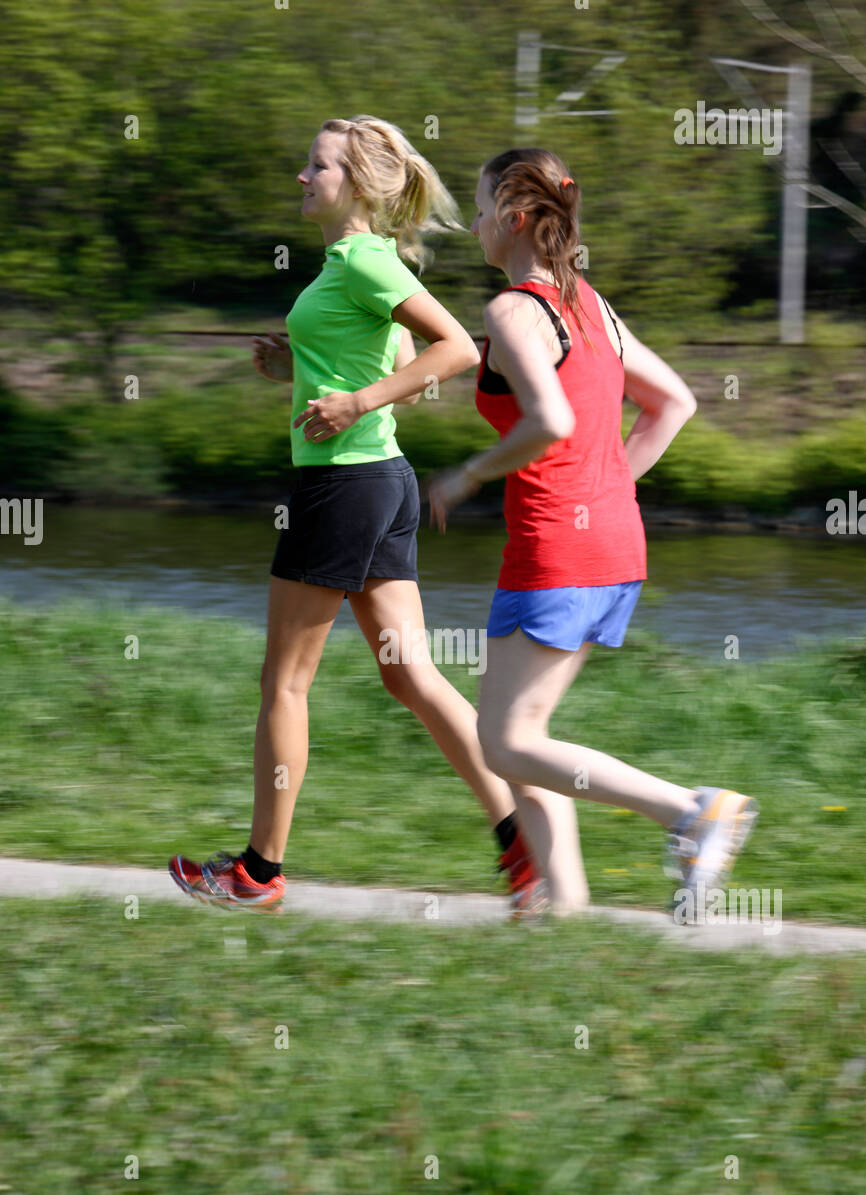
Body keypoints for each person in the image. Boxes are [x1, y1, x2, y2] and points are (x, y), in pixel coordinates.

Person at [170, 118, 542, 914]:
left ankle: (257, 874)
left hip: (342, 488)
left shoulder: (365, 258)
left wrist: (356, 403)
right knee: (410, 674)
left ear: (358, 184)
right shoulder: (357, 264)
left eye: (318, 166)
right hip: (381, 484)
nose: (303, 177)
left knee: (285, 683)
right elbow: (399, 359)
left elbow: (455, 350)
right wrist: (298, 370)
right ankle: (522, 842)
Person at [428, 147, 757, 918]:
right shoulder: (593, 307)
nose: (472, 224)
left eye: (478, 210)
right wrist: (605, 489)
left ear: (512, 222)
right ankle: (561, 910)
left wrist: (468, 475)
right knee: (517, 734)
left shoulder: (513, 310)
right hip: (609, 543)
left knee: (507, 742)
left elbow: (549, 420)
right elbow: (674, 402)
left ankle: (693, 811)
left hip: (558, 548)